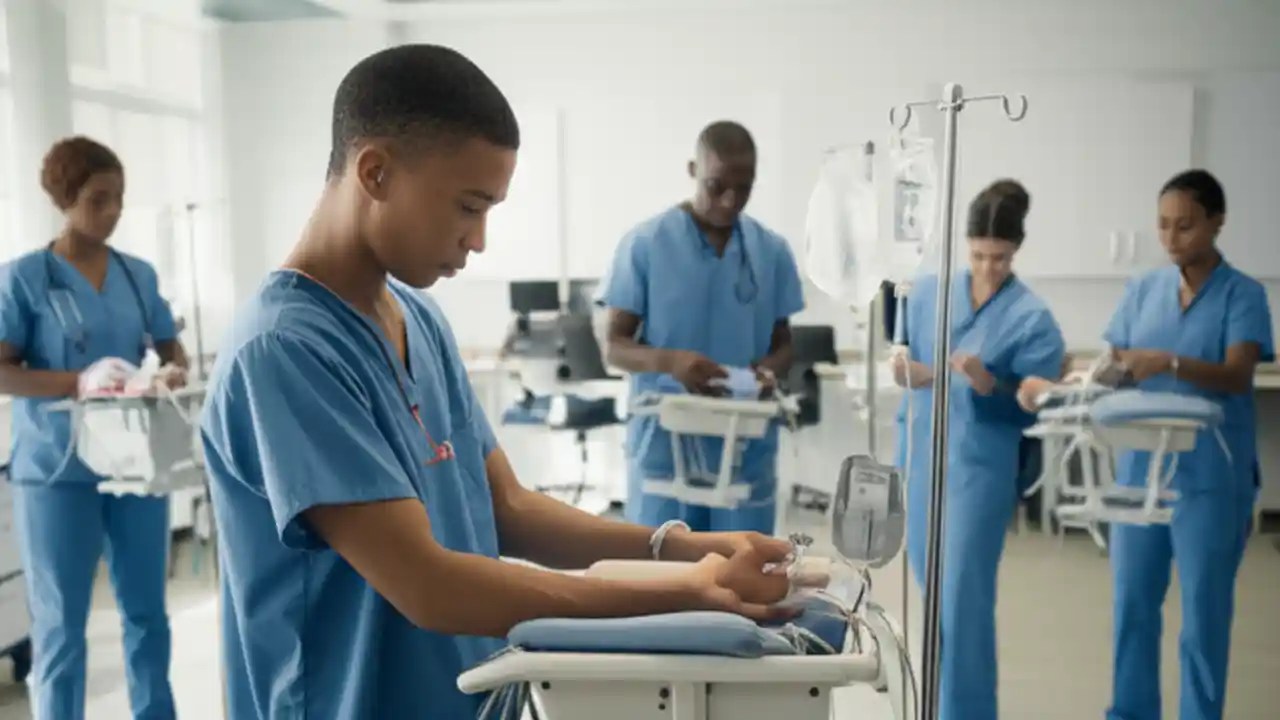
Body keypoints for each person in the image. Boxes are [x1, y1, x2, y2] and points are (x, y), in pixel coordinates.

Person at [199, 45, 796, 719]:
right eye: (467, 206)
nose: (478, 239)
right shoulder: (285, 351)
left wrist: (683, 546)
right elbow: (430, 587)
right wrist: (681, 589)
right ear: (375, 172)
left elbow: (503, 507)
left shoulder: (416, 318)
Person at [0, 136, 188, 720]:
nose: (111, 212)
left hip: (135, 466)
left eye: (119, 199)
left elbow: (170, 348)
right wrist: (77, 383)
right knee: (59, 624)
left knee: (147, 615)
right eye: (98, 199)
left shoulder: (137, 275)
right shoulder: (25, 279)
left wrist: (173, 373)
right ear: (65, 198)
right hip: (55, 472)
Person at [891, 179, 1065, 720]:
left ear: (1016, 252)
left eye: (1000, 257)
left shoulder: (1032, 318)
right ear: (965, 247)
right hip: (921, 463)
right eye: (978, 255)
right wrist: (906, 368)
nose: (988, 267)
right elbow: (904, 349)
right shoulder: (927, 293)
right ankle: (933, 707)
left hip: (979, 471)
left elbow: (1036, 403)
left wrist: (992, 386)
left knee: (963, 604)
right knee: (931, 601)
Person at [1102, 169, 1273, 720]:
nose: (1172, 238)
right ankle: (1130, 713)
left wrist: (1168, 362)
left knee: (1203, 615)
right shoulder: (1142, 290)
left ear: (1216, 223)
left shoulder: (1243, 295)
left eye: (1186, 226)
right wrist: (1105, 374)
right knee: (1132, 606)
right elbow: (1117, 360)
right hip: (1139, 473)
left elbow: (1236, 373)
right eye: (1163, 226)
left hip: (1210, 478)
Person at [600, 121, 805, 535]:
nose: (730, 201)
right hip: (665, 445)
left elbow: (784, 343)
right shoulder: (646, 244)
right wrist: (670, 361)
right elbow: (613, 347)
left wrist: (768, 370)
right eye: (716, 186)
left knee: (744, 578)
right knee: (664, 578)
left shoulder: (771, 251)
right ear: (693, 170)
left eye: (743, 188)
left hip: (745, 447)